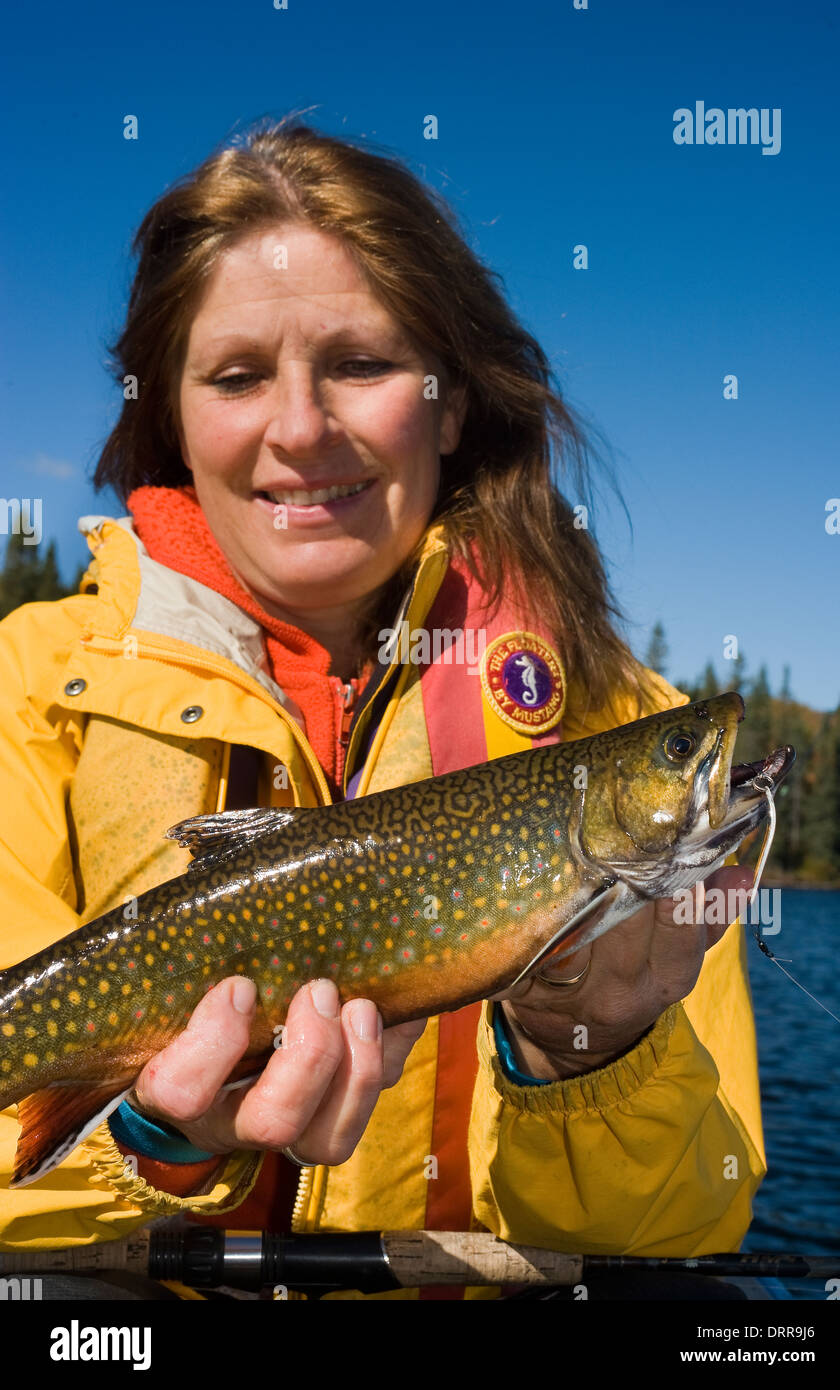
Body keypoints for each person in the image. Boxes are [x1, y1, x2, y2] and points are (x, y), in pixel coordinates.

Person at [0, 117, 764, 1299]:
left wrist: (592, 1052)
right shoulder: (26, 688)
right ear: (173, 413)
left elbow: (681, 1236)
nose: (300, 428)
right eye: (239, 375)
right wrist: (149, 1148)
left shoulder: (613, 717)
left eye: (358, 364)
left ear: (450, 404)